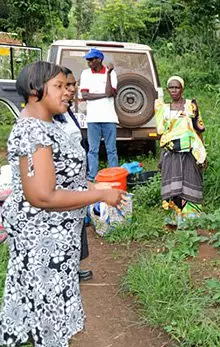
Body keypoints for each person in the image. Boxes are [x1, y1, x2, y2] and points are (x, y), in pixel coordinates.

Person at [0, 61, 125, 347]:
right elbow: (42, 196)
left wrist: (94, 186)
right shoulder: (33, 131)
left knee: (35, 302)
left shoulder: (49, 125)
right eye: (58, 86)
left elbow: (64, 178)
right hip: (43, 241)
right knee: (46, 309)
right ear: (35, 91)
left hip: (58, 239)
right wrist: (99, 195)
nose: (67, 92)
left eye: (66, 86)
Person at [54, 67, 93, 282]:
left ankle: (73, 268)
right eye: (63, 86)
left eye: (71, 85)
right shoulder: (51, 116)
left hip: (76, 181)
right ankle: (64, 271)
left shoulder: (67, 111)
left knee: (76, 226)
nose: (70, 90)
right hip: (63, 184)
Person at [156, 76, 206, 220]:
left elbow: (199, 128)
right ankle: (174, 216)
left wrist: (202, 152)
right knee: (173, 182)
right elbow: (162, 134)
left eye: (177, 87)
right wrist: (161, 157)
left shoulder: (191, 106)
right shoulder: (163, 109)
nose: (174, 90)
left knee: (191, 179)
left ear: (182, 89)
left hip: (189, 151)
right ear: (167, 90)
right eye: (171, 88)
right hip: (170, 152)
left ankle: (191, 217)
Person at [79, 48, 119, 181]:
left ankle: (114, 175)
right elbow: (85, 95)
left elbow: (110, 91)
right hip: (93, 118)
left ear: (99, 60)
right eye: (88, 59)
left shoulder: (111, 74)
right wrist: (104, 95)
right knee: (93, 150)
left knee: (111, 149)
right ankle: (92, 176)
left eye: (91, 59)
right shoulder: (85, 73)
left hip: (109, 117)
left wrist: (108, 74)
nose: (88, 62)